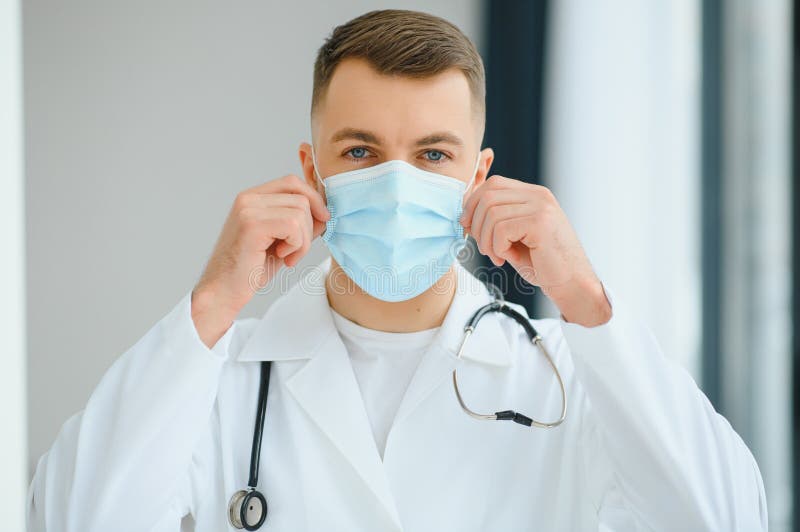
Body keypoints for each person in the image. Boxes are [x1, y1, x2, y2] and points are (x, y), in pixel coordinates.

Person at [27, 9, 767, 532]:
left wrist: (585, 300)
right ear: (311, 172)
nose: (396, 183)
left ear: (478, 177)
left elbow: (724, 519)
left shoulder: (560, 376)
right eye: (361, 152)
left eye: (433, 155)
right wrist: (213, 303)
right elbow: (69, 520)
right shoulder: (222, 379)